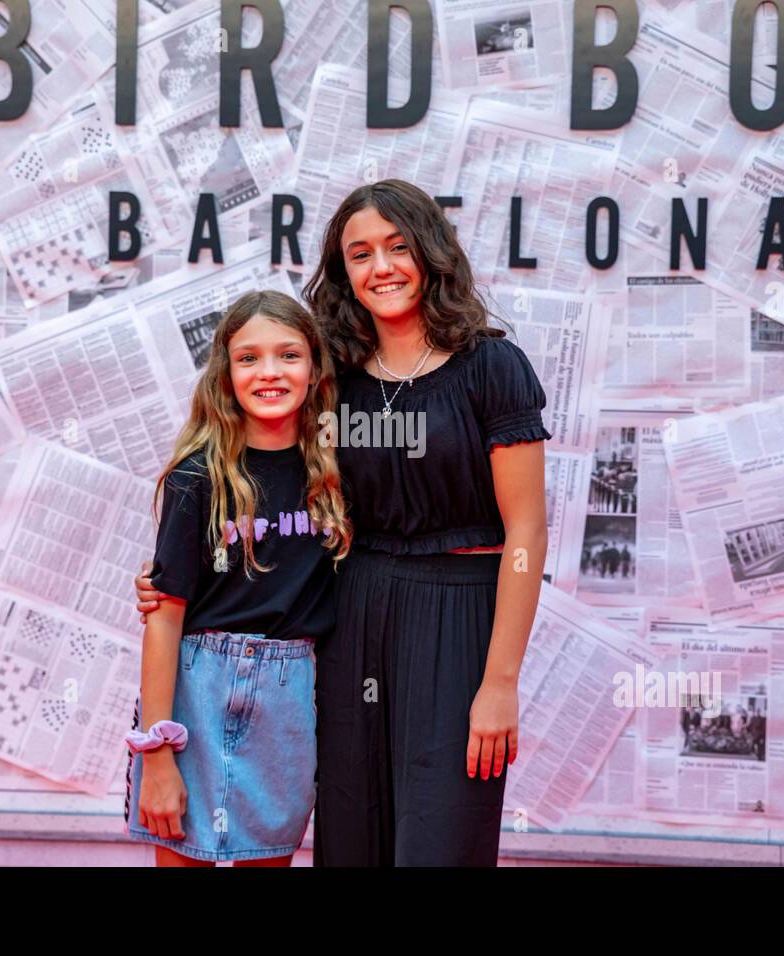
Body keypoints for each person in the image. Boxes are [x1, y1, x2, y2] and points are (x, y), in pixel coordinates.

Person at [138, 180, 548, 866]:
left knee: (438, 841)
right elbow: (261, 484)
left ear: (431, 253)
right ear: (343, 271)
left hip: (458, 617)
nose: (381, 267)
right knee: (352, 841)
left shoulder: (492, 367)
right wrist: (173, 579)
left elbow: (527, 535)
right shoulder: (336, 374)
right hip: (350, 618)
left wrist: (500, 680)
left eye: (397, 247)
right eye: (360, 253)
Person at [125, 290, 352, 867]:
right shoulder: (195, 476)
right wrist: (157, 753)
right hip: (194, 691)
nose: (269, 372)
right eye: (248, 357)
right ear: (225, 375)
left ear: (315, 369)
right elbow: (165, 617)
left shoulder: (336, 475)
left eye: (288, 355)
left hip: (289, 695)